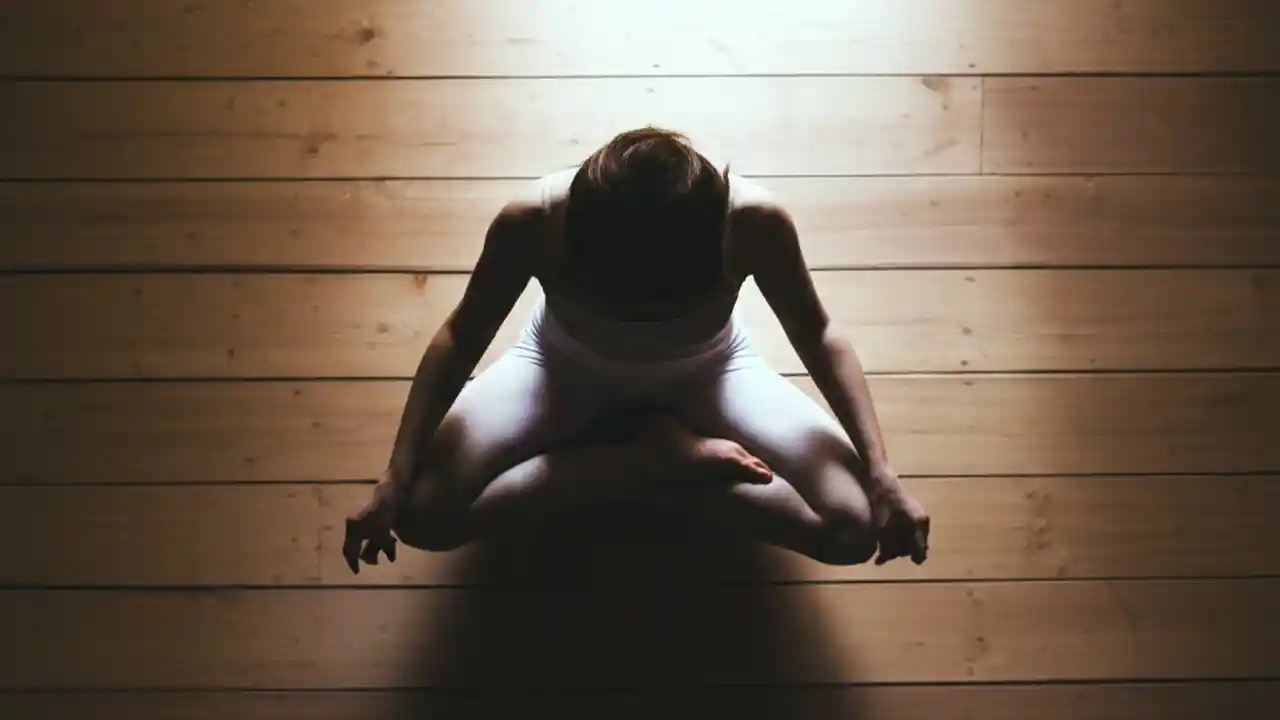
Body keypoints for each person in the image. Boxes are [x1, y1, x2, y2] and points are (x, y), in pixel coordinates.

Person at [343, 127, 929, 574]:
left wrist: (882, 473)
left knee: (852, 529)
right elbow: (461, 335)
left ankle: (639, 456)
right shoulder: (534, 220)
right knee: (420, 513)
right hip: (560, 366)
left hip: (713, 369)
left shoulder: (754, 222)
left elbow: (819, 333)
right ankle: (645, 460)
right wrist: (394, 477)